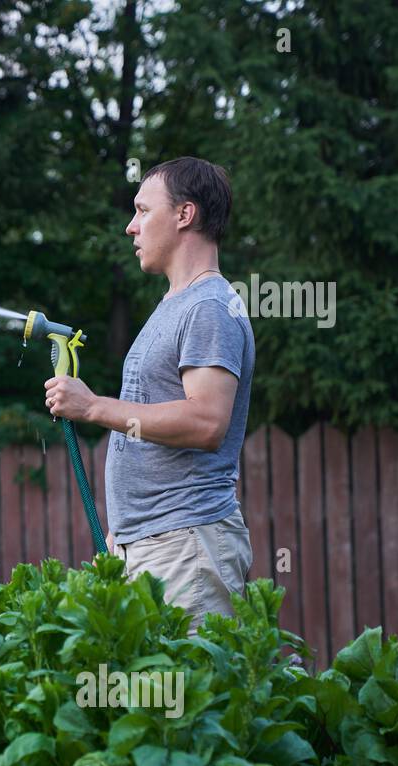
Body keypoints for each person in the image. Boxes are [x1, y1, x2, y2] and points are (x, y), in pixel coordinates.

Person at [43, 156, 255, 637]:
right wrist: (123, 536)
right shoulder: (174, 305)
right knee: (156, 708)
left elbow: (206, 423)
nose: (130, 226)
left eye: (142, 210)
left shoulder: (208, 307)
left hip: (187, 549)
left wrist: (93, 406)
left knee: (191, 706)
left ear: (185, 215)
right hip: (153, 545)